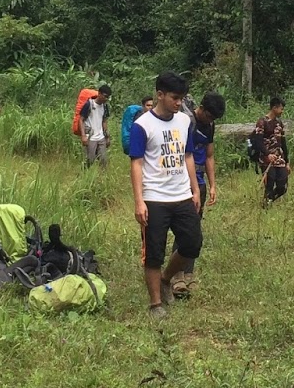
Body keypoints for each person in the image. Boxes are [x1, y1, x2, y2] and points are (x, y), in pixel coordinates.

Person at [127, 72, 202, 319]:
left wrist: (195, 188)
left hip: (181, 194)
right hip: (154, 197)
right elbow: (136, 164)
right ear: (160, 95)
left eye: (181, 98)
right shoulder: (142, 126)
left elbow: (188, 155)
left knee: (192, 243)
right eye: (174, 98)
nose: (178, 103)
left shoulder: (183, 121)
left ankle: (166, 279)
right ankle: (155, 304)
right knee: (154, 252)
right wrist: (139, 201)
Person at [173, 91, 226, 298]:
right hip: (182, 182)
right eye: (209, 116)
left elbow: (210, 156)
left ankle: (188, 273)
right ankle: (176, 275)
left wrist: (212, 185)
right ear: (201, 108)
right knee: (182, 228)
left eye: (213, 119)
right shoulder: (185, 121)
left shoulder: (209, 126)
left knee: (194, 228)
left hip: (200, 182)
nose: (209, 120)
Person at [254, 96, 292, 206]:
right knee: (269, 183)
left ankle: (268, 201)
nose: (282, 111)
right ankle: (266, 204)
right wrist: (267, 154)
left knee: (282, 186)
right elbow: (258, 141)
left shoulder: (279, 123)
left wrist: (287, 161)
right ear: (274, 108)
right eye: (281, 108)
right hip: (266, 159)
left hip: (279, 158)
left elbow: (283, 143)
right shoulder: (262, 122)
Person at [79, 84, 113, 169]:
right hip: (91, 137)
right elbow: (81, 119)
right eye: (105, 96)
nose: (106, 99)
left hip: (101, 137)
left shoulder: (105, 106)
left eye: (108, 97)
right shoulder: (89, 104)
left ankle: (102, 179)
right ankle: (84, 175)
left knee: (104, 160)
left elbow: (104, 121)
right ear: (99, 93)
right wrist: (83, 136)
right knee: (90, 160)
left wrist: (107, 137)